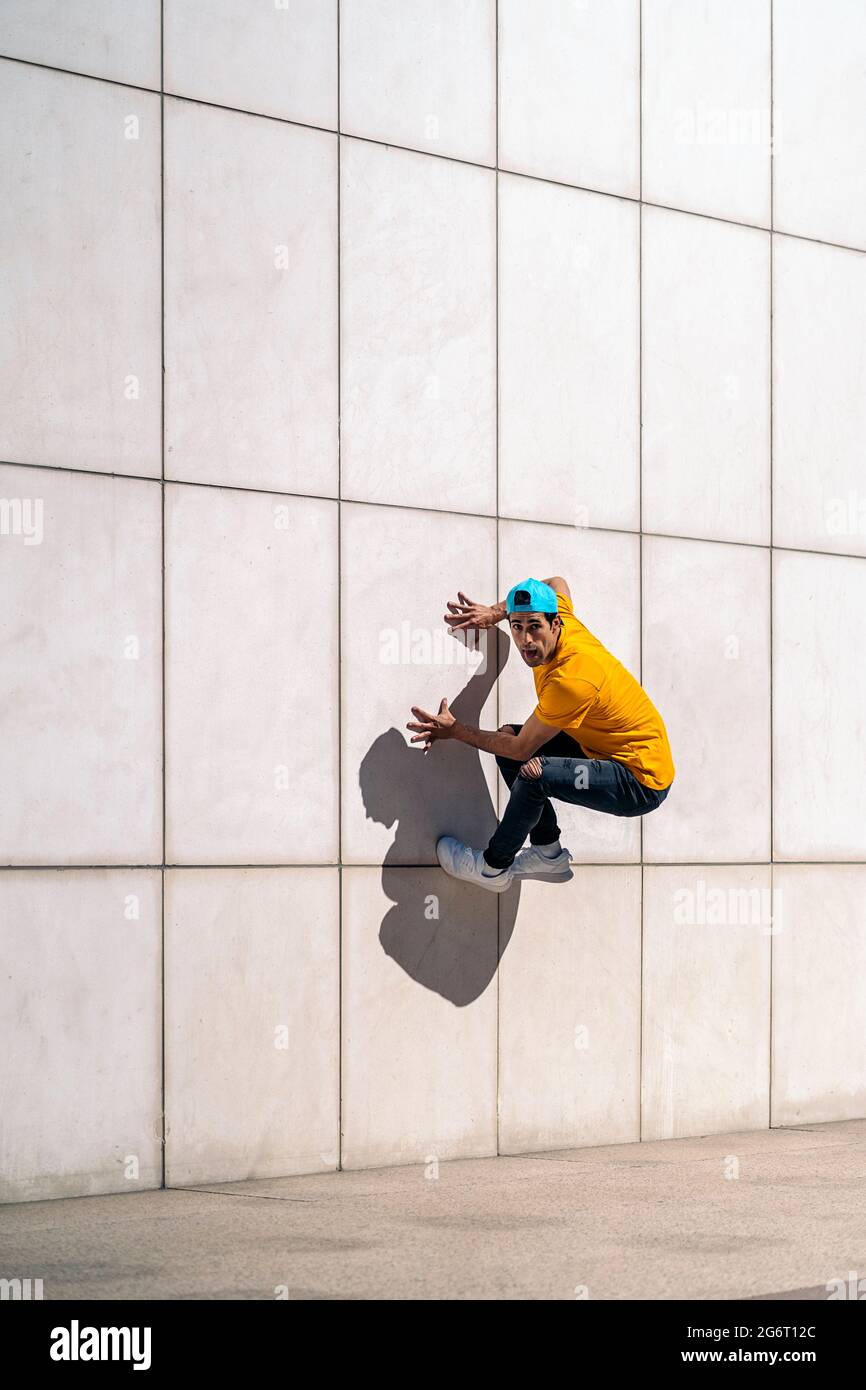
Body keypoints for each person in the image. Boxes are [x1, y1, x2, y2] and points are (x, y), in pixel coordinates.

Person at [406, 576, 675, 892]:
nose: (525, 641)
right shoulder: (562, 614)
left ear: (555, 623)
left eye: (534, 626)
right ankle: (548, 852)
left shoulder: (571, 679)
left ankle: (493, 867)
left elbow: (522, 750)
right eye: (516, 627)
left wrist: (456, 731)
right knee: (506, 738)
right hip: (604, 747)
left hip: (640, 779)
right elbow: (557, 582)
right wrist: (497, 612)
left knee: (533, 769)